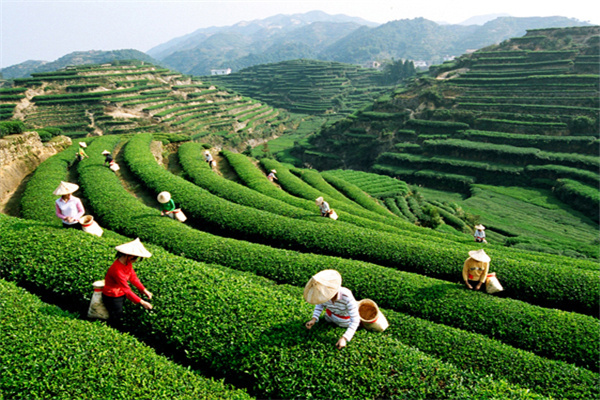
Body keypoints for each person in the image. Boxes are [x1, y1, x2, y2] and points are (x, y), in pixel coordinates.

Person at [102, 238, 153, 328]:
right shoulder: (117, 269)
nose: (136, 260)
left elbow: (133, 277)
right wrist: (142, 302)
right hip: (112, 296)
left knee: (119, 314)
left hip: (120, 294)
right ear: (128, 255)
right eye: (135, 257)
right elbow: (126, 289)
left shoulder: (127, 263)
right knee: (116, 318)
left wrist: (144, 290)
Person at [304, 269, 360, 350]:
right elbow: (319, 305)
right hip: (329, 317)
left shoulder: (346, 295)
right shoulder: (322, 295)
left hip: (344, 322)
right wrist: (314, 319)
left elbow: (355, 320)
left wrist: (344, 338)